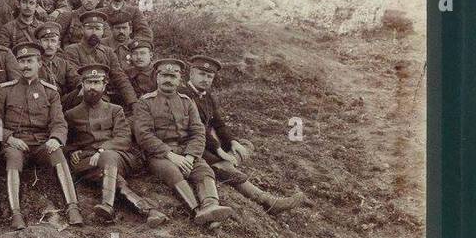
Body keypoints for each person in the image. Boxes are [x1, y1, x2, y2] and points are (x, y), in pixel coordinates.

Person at [185, 55, 304, 213]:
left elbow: (219, 124)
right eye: (202, 74)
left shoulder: (206, 96)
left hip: (206, 143)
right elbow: (197, 128)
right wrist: (220, 151)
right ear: (191, 74)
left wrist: (232, 142)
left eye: (209, 76)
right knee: (224, 163)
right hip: (188, 144)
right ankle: (267, 201)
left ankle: (222, 165)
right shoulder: (182, 94)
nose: (205, 79)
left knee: (245, 145)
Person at [0, 41, 83, 229]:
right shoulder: (5, 90)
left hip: (41, 143)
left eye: (30, 61)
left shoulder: (50, 92)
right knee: (14, 157)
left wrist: (55, 139)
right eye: (21, 61)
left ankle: (73, 207)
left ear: (39, 63)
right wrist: (9, 138)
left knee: (57, 153)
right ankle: (16, 213)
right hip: (16, 143)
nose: (25, 66)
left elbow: (58, 121)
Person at [130, 58, 233, 224]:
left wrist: (191, 156)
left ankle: (212, 205)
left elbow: (198, 132)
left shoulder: (187, 101)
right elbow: (144, 135)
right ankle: (197, 211)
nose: (168, 80)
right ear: (157, 77)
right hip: (159, 156)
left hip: (186, 151)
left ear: (179, 79)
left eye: (173, 76)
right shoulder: (145, 102)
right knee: (173, 172)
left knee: (203, 170)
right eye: (164, 75)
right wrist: (171, 155)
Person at [64, 64, 167, 226]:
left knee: (108, 156)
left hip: (120, 156)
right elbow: (66, 141)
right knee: (110, 175)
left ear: (104, 85)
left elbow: (124, 138)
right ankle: (148, 210)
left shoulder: (115, 110)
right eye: (89, 82)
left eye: (97, 82)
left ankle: (107, 204)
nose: (93, 87)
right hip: (88, 161)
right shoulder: (71, 114)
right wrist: (73, 151)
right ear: (82, 85)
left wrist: (103, 149)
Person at [61, 10, 138, 110]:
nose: (94, 32)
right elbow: (75, 77)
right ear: (83, 29)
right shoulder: (72, 50)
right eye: (90, 28)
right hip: (80, 98)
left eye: (97, 29)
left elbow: (120, 77)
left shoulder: (108, 52)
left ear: (102, 31)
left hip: (105, 99)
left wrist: (133, 102)